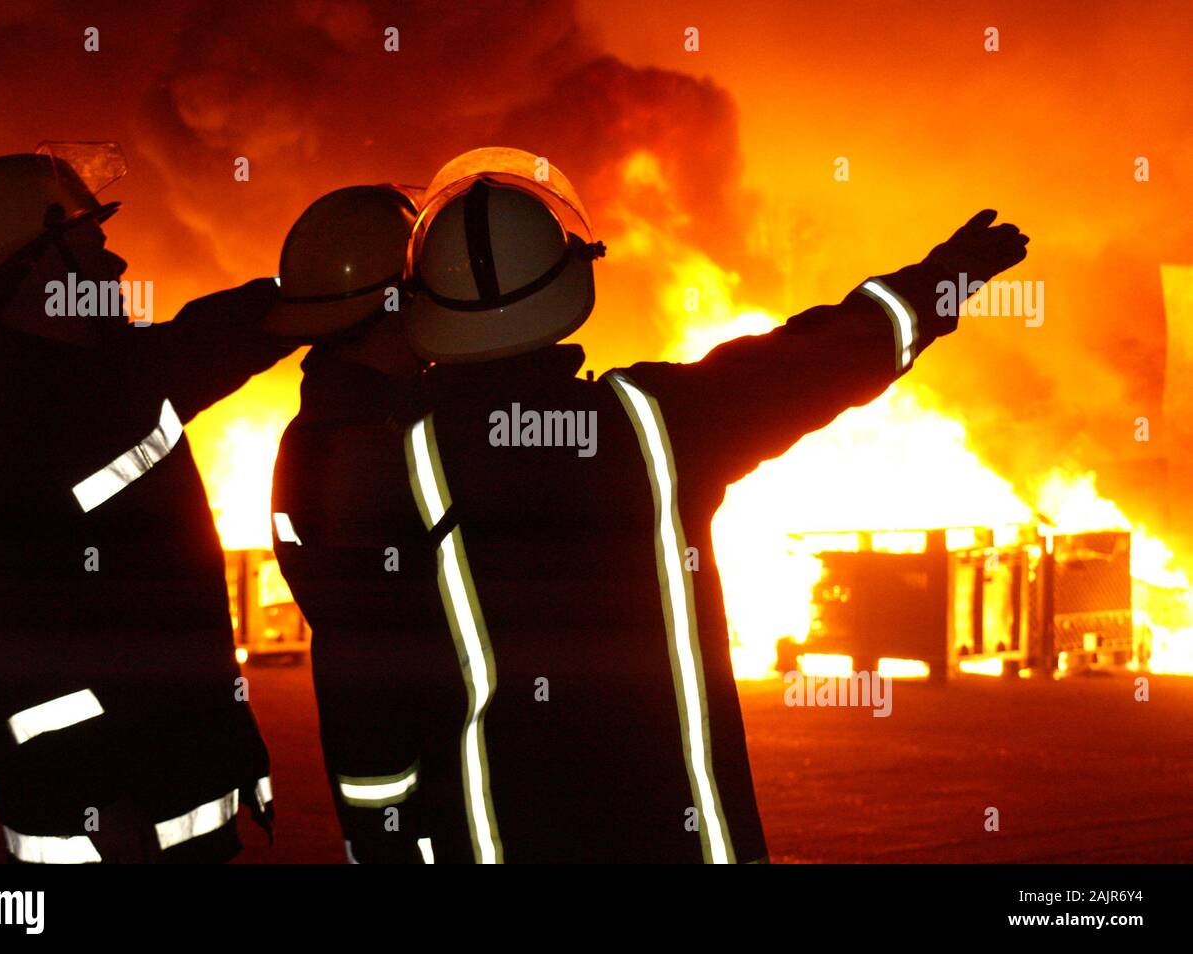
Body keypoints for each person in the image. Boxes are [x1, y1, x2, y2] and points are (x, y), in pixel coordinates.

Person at [389, 148, 1028, 863]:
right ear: (569, 277)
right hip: (668, 835)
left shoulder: (398, 462)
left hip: (498, 838)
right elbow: (819, 359)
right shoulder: (649, 425)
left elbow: (374, 683)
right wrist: (942, 282)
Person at [0, 144, 287, 863]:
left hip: (181, 795)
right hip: (107, 828)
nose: (117, 265)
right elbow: (34, 664)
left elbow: (214, 337)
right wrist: (105, 810)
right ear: (37, 266)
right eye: (93, 242)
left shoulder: (110, 379)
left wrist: (323, 285)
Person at [266, 184, 438, 863]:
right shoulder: (377, 439)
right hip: (424, 781)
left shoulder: (321, 430)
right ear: (393, 302)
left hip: (384, 774)